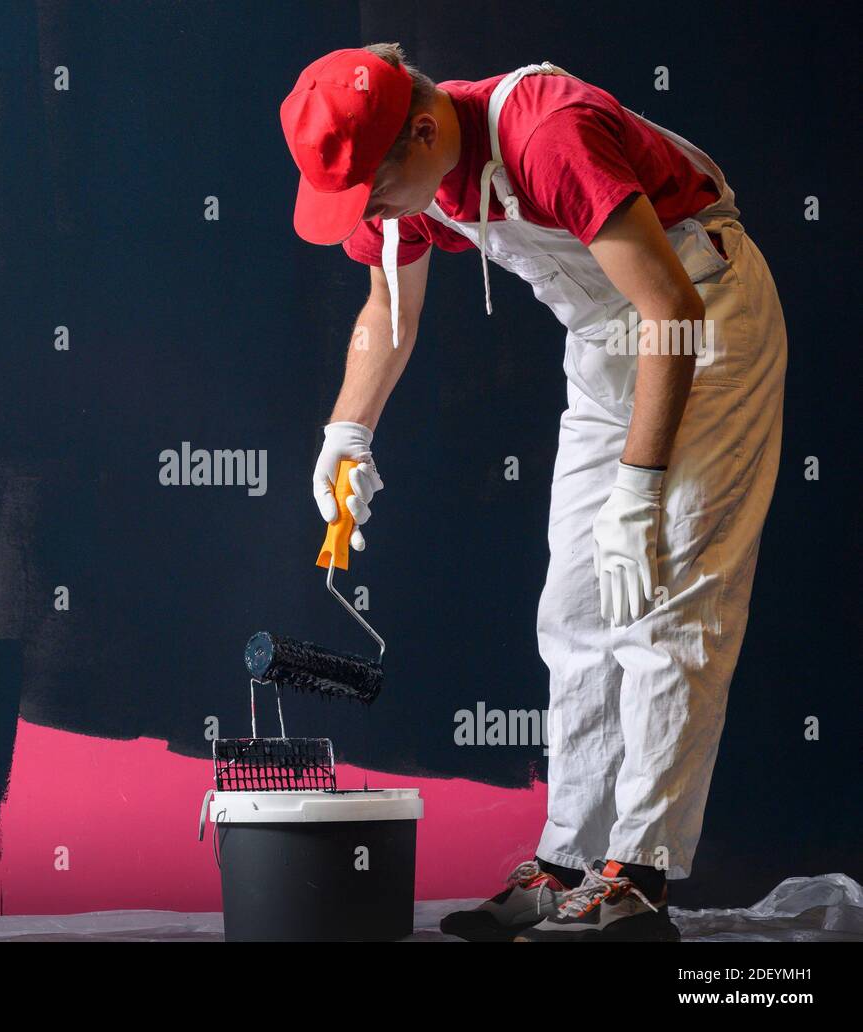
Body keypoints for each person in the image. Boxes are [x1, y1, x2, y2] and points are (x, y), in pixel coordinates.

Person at [280, 44, 786, 941]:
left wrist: (638, 492)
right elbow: (385, 308)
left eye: (372, 191)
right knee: (575, 607)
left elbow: (671, 312)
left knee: (663, 595)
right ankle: (568, 861)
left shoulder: (547, 134)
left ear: (426, 132)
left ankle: (639, 873)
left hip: (705, 314)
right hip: (603, 340)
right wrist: (345, 433)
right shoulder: (418, 176)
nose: (371, 214)